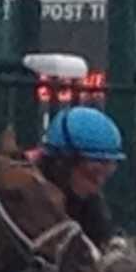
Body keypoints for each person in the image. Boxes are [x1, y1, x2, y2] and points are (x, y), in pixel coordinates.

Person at [32, 102, 124, 250]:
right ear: (61, 165)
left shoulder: (89, 201)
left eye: (107, 173)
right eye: (91, 174)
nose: (98, 184)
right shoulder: (30, 201)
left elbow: (103, 235)